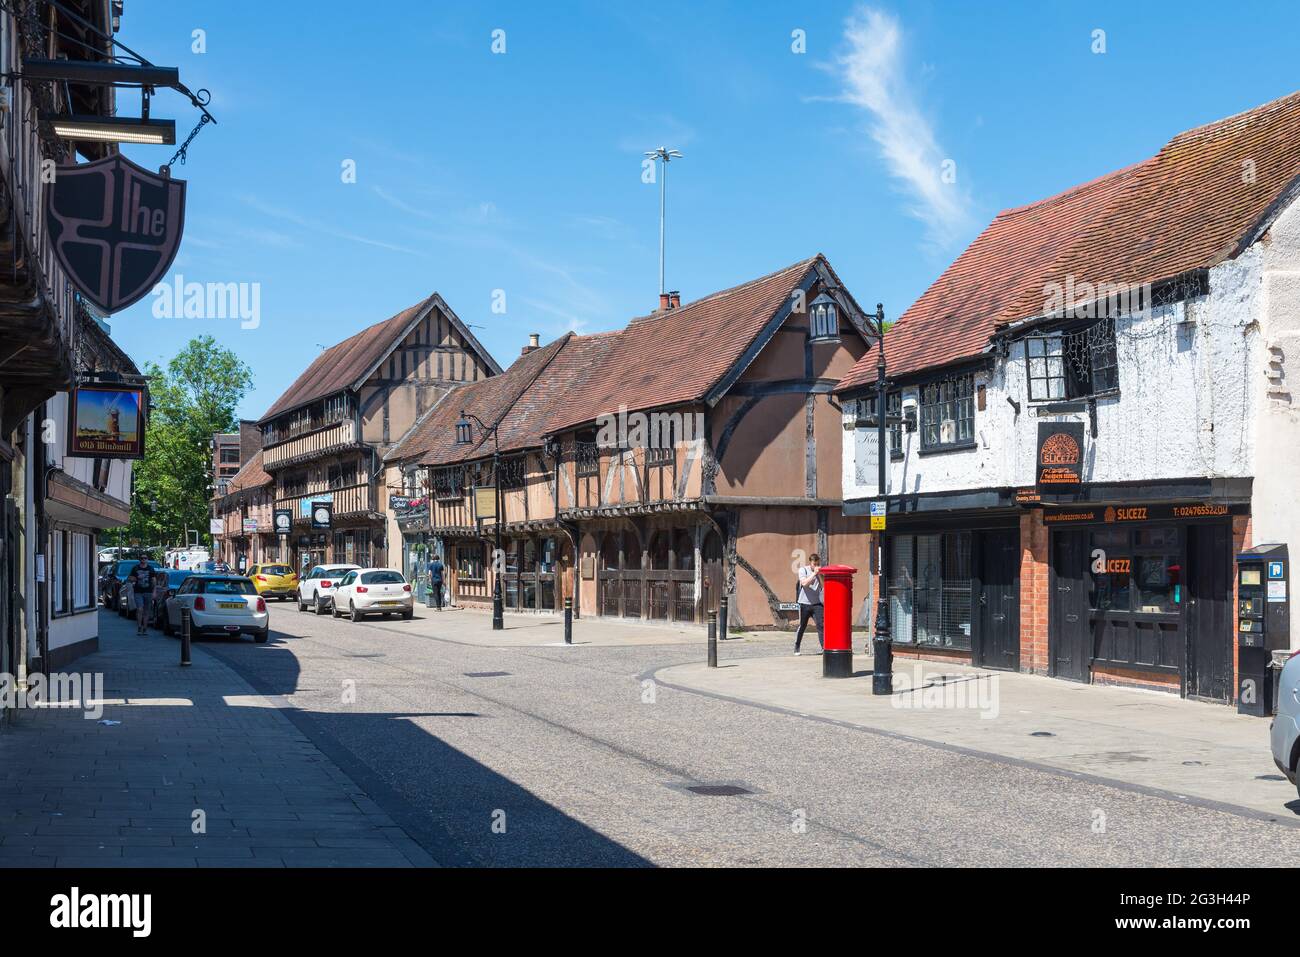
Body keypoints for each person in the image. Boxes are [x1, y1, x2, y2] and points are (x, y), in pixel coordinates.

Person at [793, 553, 824, 655]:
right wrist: (814, 574)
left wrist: (820, 574)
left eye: (818, 563)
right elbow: (804, 583)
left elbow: (824, 585)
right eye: (814, 563)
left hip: (817, 603)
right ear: (810, 562)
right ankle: (797, 647)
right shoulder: (803, 570)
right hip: (804, 604)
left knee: (821, 625)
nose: (816, 565)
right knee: (802, 626)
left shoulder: (819, 572)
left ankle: (824, 647)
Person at [125, 558, 156, 636]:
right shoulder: (135, 568)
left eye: (145, 558)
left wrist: (154, 591)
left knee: (146, 611)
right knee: (140, 609)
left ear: (147, 560)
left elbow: (154, 580)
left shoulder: (151, 568)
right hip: (138, 592)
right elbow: (129, 578)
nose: (143, 559)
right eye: (142, 558)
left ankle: (145, 628)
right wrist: (136, 578)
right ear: (140, 560)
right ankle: (139, 626)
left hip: (148, 592)